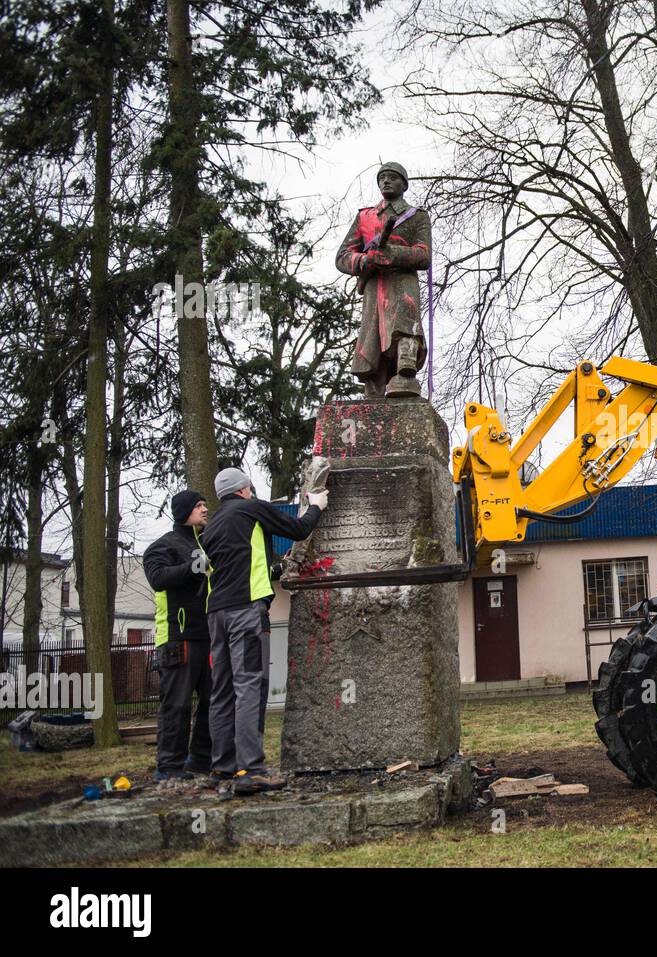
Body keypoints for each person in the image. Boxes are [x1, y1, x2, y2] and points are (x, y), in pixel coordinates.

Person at [201, 467, 327, 794]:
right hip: (246, 611)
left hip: (217, 613)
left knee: (223, 689)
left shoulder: (212, 525)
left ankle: (222, 767)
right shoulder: (250, 508)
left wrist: (275, 567)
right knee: (248, 686)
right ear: (244, 490)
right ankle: (252, 769)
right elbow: (298, 528)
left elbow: (237, 563)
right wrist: (316, 505)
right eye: (251, 488)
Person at [334, 160, 432, 398]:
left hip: (403, 283)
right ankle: (375, 387)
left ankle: (405, 374)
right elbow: (342, 257)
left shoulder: (416, 217)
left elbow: (424, 255)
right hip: (374, 288)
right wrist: (364, 261)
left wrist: (393, 253)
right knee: (373, 336)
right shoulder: (365, 217)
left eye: (392, 177)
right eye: (382, 177)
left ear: (404, 184)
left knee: (404, 322)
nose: (386, 181)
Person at [142, 490, 212, 782]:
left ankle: (201, 759)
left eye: (205, 504)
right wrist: (193, 567)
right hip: (177, 637)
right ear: (184, 511)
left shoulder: (207, 543)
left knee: (213, 700)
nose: (205, 509)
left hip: (209, 634)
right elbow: (158, 578)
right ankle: (169, 766)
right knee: (178, 703)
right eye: (198, 505)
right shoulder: (163, 546)